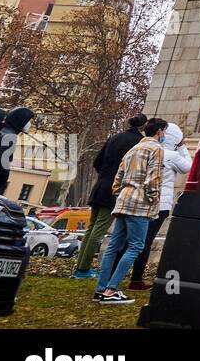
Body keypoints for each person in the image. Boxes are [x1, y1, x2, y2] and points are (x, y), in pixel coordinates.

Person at [94, 118, 165, 305]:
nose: (164, 135)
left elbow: (118, 178)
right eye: (163, 131)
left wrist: (121, 194)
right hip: (139, 203)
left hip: (123, 200)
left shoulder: (133, 149)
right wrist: (152, 199)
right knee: (136, 246)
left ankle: (100, 289)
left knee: (113, 246)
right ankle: (111, 290)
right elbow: (153, 179)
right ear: (158, 132)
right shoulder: (156, 149)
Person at [73, 114, 147, 279]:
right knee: (99, 229)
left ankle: (80, 266)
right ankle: (83, 269)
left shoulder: (114, 137)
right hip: (114, 189)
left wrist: (105, 176)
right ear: (143, 126)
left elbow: (97, 162)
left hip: (100, 185)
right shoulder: (138, 142)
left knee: (91, 228)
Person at [127, 121, 192, 290]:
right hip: (160, 203)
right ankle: (136, 279)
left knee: (131, 240)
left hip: (139, 199)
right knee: (145, 241)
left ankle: (117, 275)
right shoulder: (172, 155)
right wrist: (182, 146)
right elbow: (188, 166)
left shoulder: (145, 150)